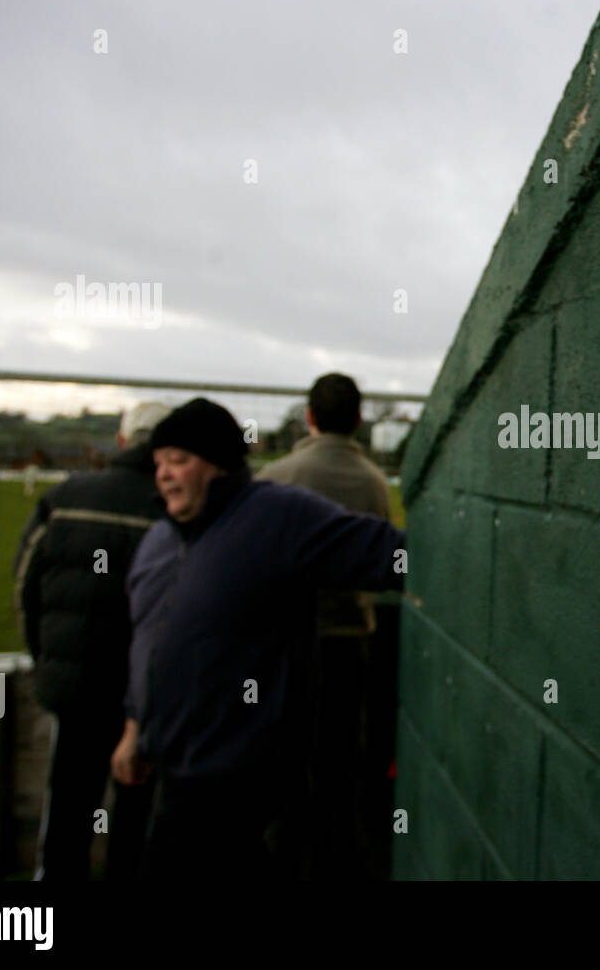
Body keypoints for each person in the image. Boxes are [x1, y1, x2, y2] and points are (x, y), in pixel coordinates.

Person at [109, 397, 405, 880]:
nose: (163, 474)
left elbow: (394, 556)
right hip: (166, 762)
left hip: (240, 770)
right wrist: (133, 726)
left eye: (179, 461)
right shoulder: (160, 540)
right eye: (159, 462)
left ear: (219, 465)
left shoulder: (276, 515)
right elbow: (147, 641)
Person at [14, 401, 171, 880]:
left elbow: (25, 585)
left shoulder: (66, 495)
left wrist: (46, 658)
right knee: (137, 821)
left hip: (76, 686)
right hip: (145, 697)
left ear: (122, 441)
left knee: (68, 809)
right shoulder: (177, 509)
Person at [256, 373, 394, 877]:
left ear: (310, 416)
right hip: (349, 641)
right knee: (339, 764)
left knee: (282, 765)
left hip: (284, 645)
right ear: (358, 419)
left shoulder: (275, 476)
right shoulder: (374, 482)